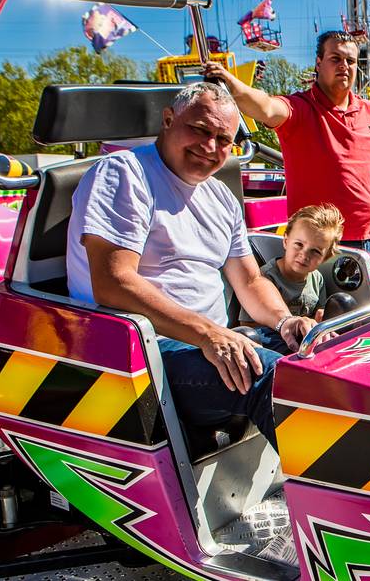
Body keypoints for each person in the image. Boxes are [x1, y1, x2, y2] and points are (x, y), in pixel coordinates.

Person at [66, 82, 315, 449]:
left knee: (320, 356)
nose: (210, 147)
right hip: (142, 354)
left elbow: (249, 280)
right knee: (280, 382)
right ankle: (329, 503)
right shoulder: (124, 174)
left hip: (208, 341)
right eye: (199, 130)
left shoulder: (221, 198)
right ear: (168, 119)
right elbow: (114, 283)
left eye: (223, 139)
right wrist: (208, 334)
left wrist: (286, 321)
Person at [202, 31, 370, 270]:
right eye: (335, 59)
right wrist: (232, 85)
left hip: (368, 240)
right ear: (319, 63)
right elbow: (265, 107)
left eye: (350, 61)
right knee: (310, 307)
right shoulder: (299, 108)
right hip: (313, 246)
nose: (344, 66)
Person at [238, 205, 344, 350]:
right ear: (286, 241)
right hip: (271, 341)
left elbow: (317, 314)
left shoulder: (317, 279)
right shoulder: (265, 278)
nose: (304, 255)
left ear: (325, 258)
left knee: (343, 302)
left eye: (315, 251)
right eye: (299, 244)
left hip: (304, 339)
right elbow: (247, 326)